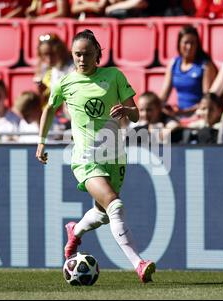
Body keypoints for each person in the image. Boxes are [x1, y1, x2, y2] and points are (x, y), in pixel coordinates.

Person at [35, 29, 156, 283]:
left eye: (87, 54)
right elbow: (49, 109)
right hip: (85, 159)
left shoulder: (113, 76)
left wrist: (126, 109)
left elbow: (135, 116)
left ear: (97, 54)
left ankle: (75, 231)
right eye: (77, 54)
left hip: (114, 156)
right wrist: (41, 141)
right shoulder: (65, 83)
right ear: (72, 55)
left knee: (103, 213)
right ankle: (139, 264)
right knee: (115, 205)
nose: (82, 59)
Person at [159, 24, 217, 119]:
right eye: (186, 43)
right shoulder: (174, 63)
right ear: (179, 44)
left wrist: (185, 112)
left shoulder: (205, 66)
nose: (189, 47)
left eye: (193, 43)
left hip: (197, 115)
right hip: (178, 114)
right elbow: (163, 96)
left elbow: (207, 101)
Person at [34, 33, 74, 133]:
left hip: (68, 114)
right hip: (49, 113)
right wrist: (41, 91)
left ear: (60, 50)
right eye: (45, 55)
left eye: (52, 54)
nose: (49, 59)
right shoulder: (43, 69)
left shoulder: (72, 67)